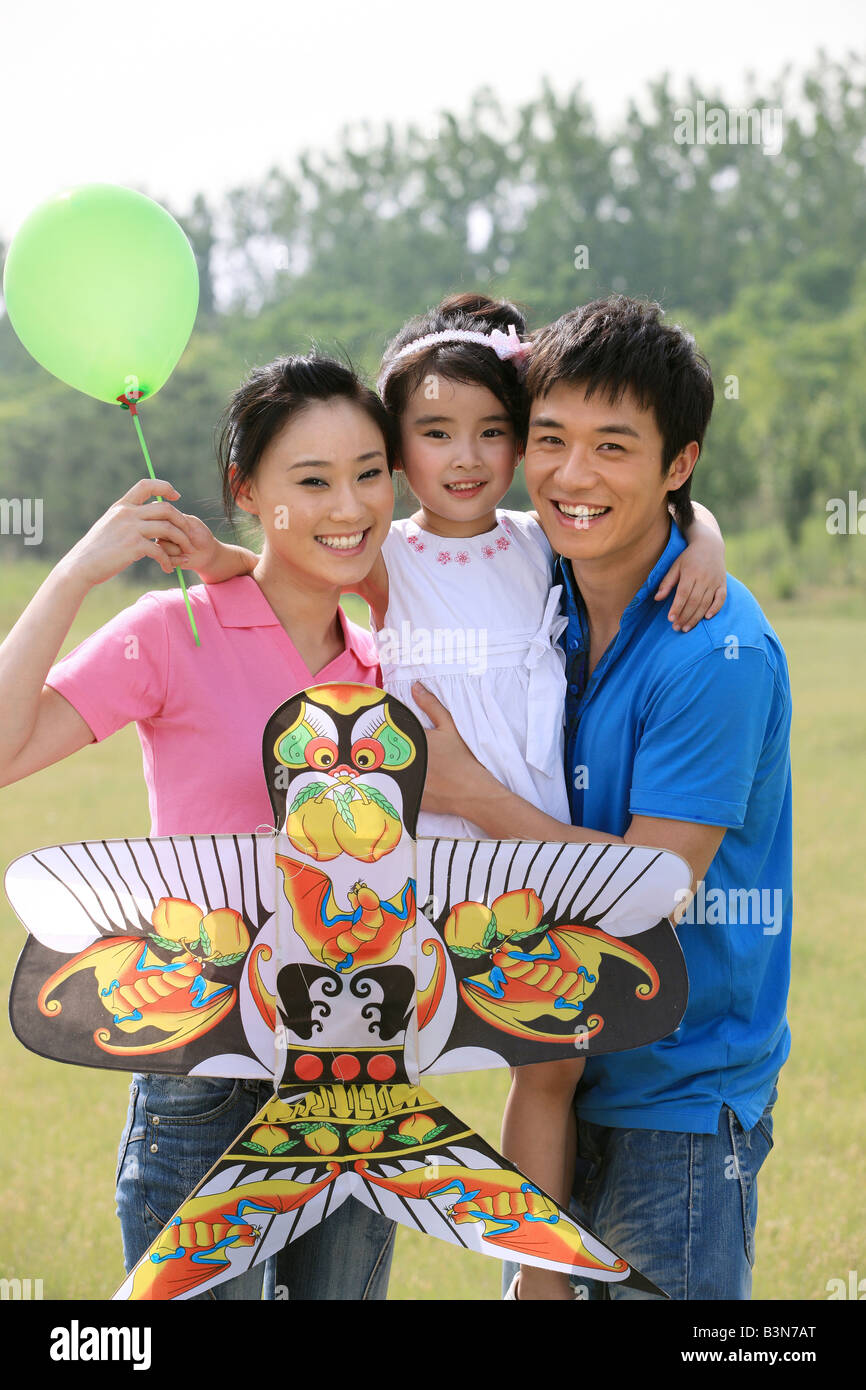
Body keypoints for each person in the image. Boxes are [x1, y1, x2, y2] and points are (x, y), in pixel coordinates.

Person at [191, 292, 730, 1302]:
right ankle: (282, 1247)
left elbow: (654, 507)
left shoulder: (539, 539)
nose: (467, 456)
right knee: (361, 1059)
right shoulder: (387, 552)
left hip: (531, 827)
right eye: (435, 433)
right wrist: (208, 559)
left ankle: (532, 1277)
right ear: (396, 453)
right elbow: (289, 560)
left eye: (494, 432)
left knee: (553, 1058)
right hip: (424, 835)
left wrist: (702, 537)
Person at [415, 296, 792, 1301]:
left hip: (672, 1102)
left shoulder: (714, 651)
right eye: (549, 440)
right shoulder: (549, 579)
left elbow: (651, 889)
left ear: (676, 464)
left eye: (612, 447)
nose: (571, 476)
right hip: (554, 1064)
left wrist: (468, 793)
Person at [0, 354, 399, 1299]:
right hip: (201, 1064)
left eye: (370, 472)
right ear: (247, 493)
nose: (349, 505)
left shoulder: (391, 660)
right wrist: (76, 571)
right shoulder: (171, 628)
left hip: (357, 1066)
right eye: (313, 480)